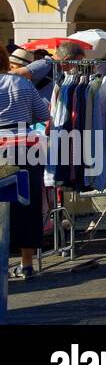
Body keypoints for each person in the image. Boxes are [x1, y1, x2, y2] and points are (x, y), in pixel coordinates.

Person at [1, 48, 49, 281]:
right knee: (27, 203)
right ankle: (26, 264)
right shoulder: (21, 83)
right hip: (25, 144)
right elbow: (42, 114)